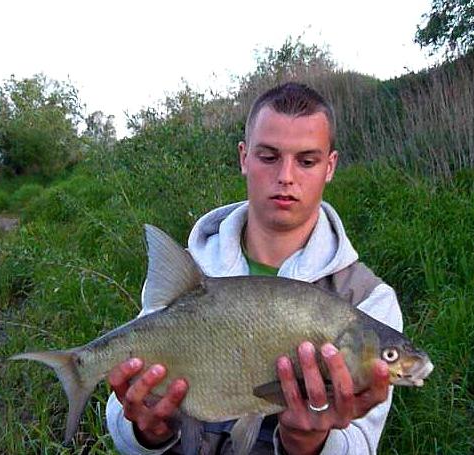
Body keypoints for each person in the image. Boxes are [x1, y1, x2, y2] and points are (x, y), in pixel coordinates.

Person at [105, 82, 403, 454]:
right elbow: (123, 421)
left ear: (330, 166)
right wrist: (147, 432)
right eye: (269, 157)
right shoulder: (189, 268)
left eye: (307, 161)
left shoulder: (369, 299)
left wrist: (310, 441)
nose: (286, 176)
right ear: (244, 157)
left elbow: (361, 445)